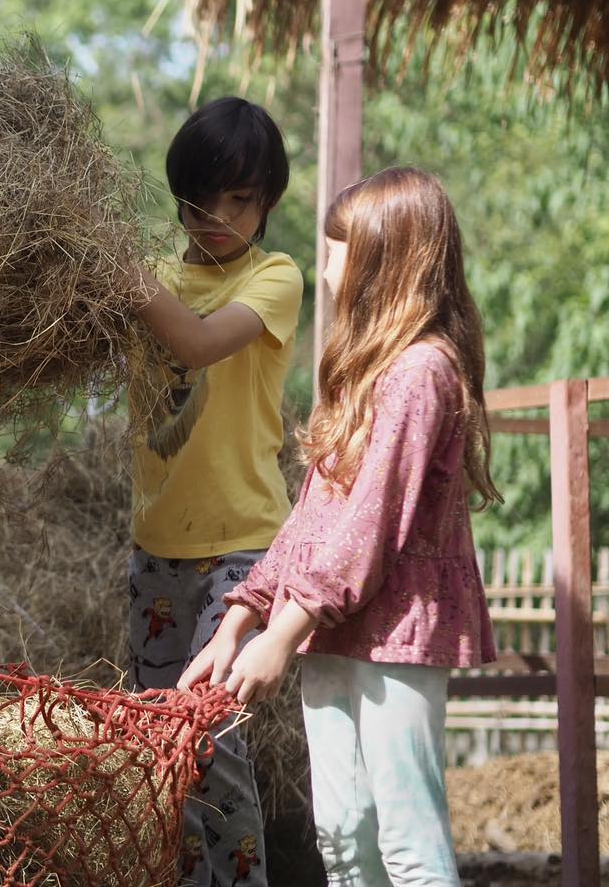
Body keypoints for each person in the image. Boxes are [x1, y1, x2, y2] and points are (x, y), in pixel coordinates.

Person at [180, 167, 500, 886]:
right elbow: (313, 518)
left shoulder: (423, 372)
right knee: (345, 842)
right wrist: (241, 621)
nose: (324, 266)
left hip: (396, 640)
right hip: (329, 629)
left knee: (407, 846)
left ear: (387, 260)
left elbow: (368, 524)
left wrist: (280, 638)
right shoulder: (363, 373)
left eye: (338, 249)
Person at [128, 96, 302, 887]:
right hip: (156, 546)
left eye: (240, 199)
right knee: (160, 752)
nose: (219, 217)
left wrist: (112, 269)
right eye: (202, 197)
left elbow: (195, 344)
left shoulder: (275, 277)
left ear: (267, 201)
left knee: (212, 741)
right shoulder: (152, 277)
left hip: (243, 549)